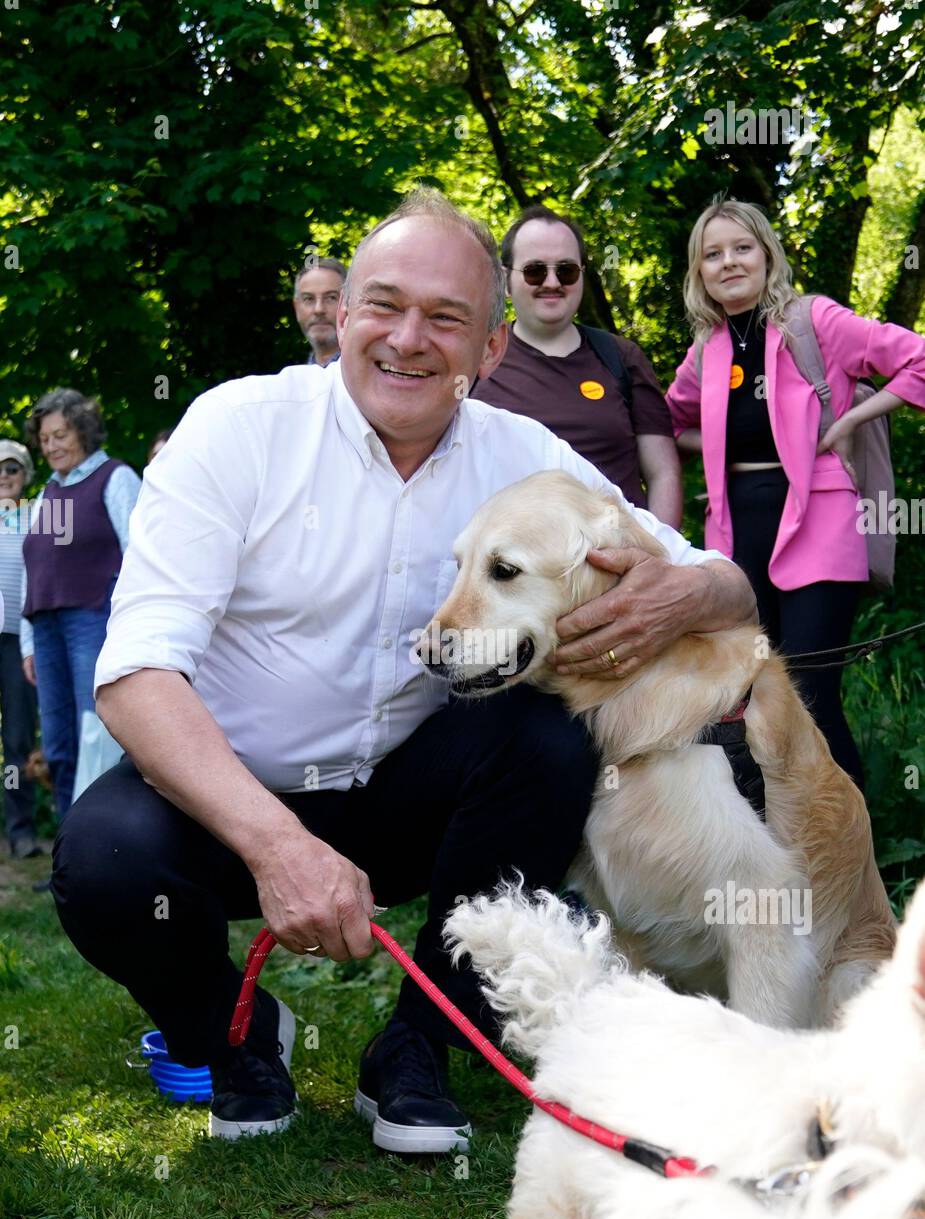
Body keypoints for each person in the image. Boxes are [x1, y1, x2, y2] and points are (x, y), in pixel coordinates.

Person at [52, 190, 754, 1152]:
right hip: (229, 797)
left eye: (447, 318)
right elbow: (135, 670)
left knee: (545, 740)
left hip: (412, 799)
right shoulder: (235, 429)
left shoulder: (526, 459)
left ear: (492, 350)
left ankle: (421, 1042)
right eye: (383, 305)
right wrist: (277, 846)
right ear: (342, 315)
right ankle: (236, 1031)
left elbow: (713, 573)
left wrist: (691, 596)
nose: (408, 339)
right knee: (104, 862)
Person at [666, 198, 925, 787]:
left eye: (742, 248)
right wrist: (713, 451)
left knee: (809, 693)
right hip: (736, 533)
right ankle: (782, 846)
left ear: (766, 254)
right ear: (699, 271)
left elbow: (917, 360)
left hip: (823, 519)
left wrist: (852, 422)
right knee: (753, 696)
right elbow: (667, 423)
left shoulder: (815, 322)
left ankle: (853, 855)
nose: (729, 262)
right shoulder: (707, 350)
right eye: (713, 254)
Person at [472, 206, 683, 527]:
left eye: (567, 270)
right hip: (511, 565)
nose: (552, 282)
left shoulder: (621, 358)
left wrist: (660, 560)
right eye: (534, 271)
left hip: (618, 564)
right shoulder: (476, 358)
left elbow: (662, 473)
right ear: (505, 280)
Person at [21, 390, 141, 828]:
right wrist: (29, 643)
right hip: (47, 627)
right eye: (45, 438)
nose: (51, 445)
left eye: (60, 434)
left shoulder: (115, 478)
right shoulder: (48, 494)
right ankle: (66, 851)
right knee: (57, 743)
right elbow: (39, 566)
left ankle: (102, 844)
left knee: (98, 737)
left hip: (93, 621)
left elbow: (140, 556)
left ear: (83, 432)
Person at [0, 439, 42, 859]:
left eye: (12, 468)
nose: (4, 476)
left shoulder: (39, 517)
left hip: (18, 640)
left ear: (24, 474)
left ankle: (21, 831)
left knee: (17, 738)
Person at [292, 256, 346, 366]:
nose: (319, 309)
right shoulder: (290, 381)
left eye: (331, 297)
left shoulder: (373, 376)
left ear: (348, 304)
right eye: (309, 299)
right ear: (296, 308)